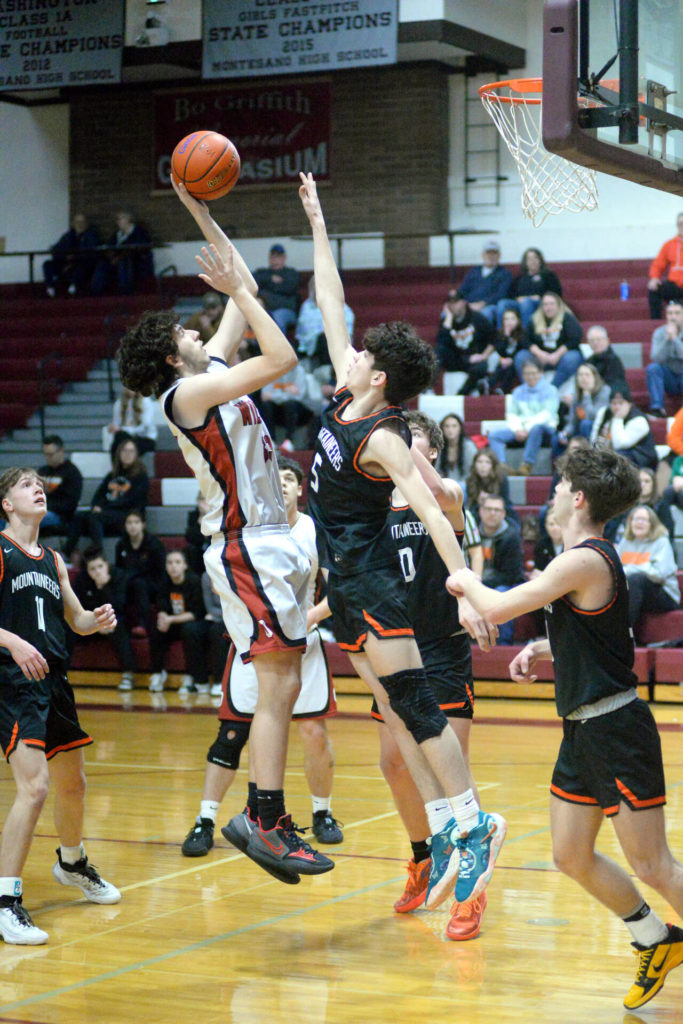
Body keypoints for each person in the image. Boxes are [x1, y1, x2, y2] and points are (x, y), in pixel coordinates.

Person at [299, 170, 506, 912]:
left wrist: (469, 585)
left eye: (359, 353)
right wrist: (320, 225)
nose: (346, 352)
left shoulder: (386, 439)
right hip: (349, 587)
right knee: (395, 722)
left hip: (380, 585)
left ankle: (473, 827)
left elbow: (434, 506)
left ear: (378, 374)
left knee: (414, 708)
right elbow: (330, 300)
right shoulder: (343, 400)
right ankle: (445, 837)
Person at [117, 177, 333, 881]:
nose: (194, 327)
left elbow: (242, 286)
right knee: (276, 683)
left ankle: (265, 815)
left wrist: (196, 208)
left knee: (279, 682)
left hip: (265, 543)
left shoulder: (201, 369)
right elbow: (280, 358)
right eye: (184, 330)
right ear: (169, 355)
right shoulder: (186, 394)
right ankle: (262, 817)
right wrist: (239, 295)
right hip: (248, 545)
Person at [447, 446, 683, 1012]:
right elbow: (603, 644)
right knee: (570, 855)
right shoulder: (579, 563)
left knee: (652, 864)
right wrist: (541, 648)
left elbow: (497, 606)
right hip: (581, 730)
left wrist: (459, 577)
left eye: (559, 485)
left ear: (577, 497)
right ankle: (655, 939)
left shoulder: (585, 559)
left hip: (617, 730)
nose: (552, 491)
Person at [181, 455, 343, 857]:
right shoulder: (248, 527)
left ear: (300, 488)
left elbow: (340, 589)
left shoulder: (314, 530)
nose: (283, 484)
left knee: (313, 732)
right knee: (231, 736)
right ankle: (205, 818)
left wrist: (309, 617)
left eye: (290, 478)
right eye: (277, 478)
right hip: (253, 643)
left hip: (301, 644)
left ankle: (322, 813)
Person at [0, 468, 120, 945]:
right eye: (26, 484)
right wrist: (12, 643)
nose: (38, 488)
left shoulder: (53, 560)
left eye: (40, 484)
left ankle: (72, 864)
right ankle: (6, 902)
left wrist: (98, 619)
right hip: (14, 681)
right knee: (35, 788)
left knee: (74, 783)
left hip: (54, 679)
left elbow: (78, 620)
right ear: (6, 503)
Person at [381, 411, 488, 939]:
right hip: (397, 650)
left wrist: (408, 446)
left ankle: (473, 889)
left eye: (412, 446)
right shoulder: (380, 506)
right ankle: (426, 857)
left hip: (443, 650)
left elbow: (441, 490)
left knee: (454, 771)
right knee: (395, 765)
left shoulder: (448, 497)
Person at [64, 438, 150, 562]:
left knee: (95, 517)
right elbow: (98, 496)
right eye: (124, 451)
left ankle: (98, 554)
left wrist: (103, 508)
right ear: (119, 454)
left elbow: (131, 501)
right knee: (79, 517)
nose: (127, 454)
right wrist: (97, 506)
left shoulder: (140, 477)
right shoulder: (112, 475)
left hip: (127, 518)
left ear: (136, 454)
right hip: (107, 516)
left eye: (131, 451)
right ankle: (66, 553)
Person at [71, 546, 138, 693]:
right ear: (87, 571)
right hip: (90, 621)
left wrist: (104, 587)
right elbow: (78, 607)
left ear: (107, 565)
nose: (97, 572)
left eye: (100, 567)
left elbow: (119, 605)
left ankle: (128, 674)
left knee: (118, 625)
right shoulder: (82, 580)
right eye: (92, 569)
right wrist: (94, 625)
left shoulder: (118, 576)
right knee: (67, 628)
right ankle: (60, 673)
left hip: (113, 619)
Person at [147, 549, 207, 694]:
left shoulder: (193, 581)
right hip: (172, 622)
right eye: (170, 563)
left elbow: (196, 613)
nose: (173, 566)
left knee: (189, 630)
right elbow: (161, 605)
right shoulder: (164, 581)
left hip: (193, 622)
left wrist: (170, 619)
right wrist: (162, 618)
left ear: (185, 565)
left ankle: (191, 677)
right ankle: (157, 673)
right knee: (156, 629)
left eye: (177, 562)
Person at [617, 506, 680, 640]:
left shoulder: (661, 542)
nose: (639, 522)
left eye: (644, 520)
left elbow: (659, 574)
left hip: (664, 595)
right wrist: (641, 567)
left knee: (636, 579)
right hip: (636, 593)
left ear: (652, 524)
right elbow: (616, 571)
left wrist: (631, 568)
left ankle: (625, 636)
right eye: (636, 519)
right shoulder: (625, 542)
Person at [487, 359, 560, 475]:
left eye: (534, 373)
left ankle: (526, 464)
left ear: (541, 373)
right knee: (494, 435)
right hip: (520, 428)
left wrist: (526, 429)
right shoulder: (518, 391)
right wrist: (518, 429)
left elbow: (547, 415)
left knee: (537, 428)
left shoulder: (551, 390)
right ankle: (501, 465)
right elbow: (512, 414)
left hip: (544, 429)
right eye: (527, 374)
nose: (530, 377)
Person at [478, 493, 525, 644]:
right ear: (481, 511)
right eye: (489, 509)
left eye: (497, 510)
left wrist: (481, 584)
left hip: (504, 585)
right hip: (476, 581)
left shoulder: (511, 537)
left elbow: (511, 575)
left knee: (500, 595)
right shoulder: (471, 534)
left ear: (504, 514)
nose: (492, 513)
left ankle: (502, 646)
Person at [114, 508, 167, 640]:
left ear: (143, 524)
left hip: (152, 585)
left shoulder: (154, 544)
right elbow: (119, 569)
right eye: (129, 522)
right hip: (129, 583)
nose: (132, 526)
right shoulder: (121, 545)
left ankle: (142, 624)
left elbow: (160, 572)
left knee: (139, 584)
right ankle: (117, 623)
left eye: (136, 522)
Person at [435, 289, 498, 395]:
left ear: (464, 302)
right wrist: (449, 318)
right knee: (437, 352)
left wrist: (484, 355)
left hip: (474, 359)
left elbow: (496, 337)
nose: (452, 305)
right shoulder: (446, 321)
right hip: (457, 359)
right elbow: (441, 344)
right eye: (449, 302)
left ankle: (461, 394)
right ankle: (428, 388)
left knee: (481, 367)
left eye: (455, 302)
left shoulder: (476, 318)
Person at [515, 292, 583, 388]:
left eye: (552, 304)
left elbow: (574, 339)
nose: (548, 307)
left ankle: (553, 388)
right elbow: (525, 339)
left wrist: (556, 355)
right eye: (545, 304)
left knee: (573, 357)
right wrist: (540, 354)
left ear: (558, 305)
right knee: (521, 356)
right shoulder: (535, 319)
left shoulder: (567, 318)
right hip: (540, 359)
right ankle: (532, 387)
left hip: (560, 359)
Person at [592, 383, 658, 471]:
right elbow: (595, 436)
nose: (617, 407)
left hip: (639, 459)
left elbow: (620, 444)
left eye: (621, 403)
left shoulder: (639, 420)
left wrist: (618, 419)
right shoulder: (605, 413)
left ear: (629, 404)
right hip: (613, 452)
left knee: (616, 457)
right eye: (613, 403)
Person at [295, 275, 354, 373]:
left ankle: (330, 371)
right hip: (311, 344)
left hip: (335, 343)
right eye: (315, 286)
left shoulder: (340, 306)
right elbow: (302, 329)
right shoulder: (306, 306)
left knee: (327, 337)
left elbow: (347, 329)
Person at [497, 246, 563, 328]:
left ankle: (526, 335)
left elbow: (556, 293)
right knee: (502, 303)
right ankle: (501, 334)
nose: (532, 261)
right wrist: (517, 299)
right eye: (529, 259)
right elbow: (510, 294)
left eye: (535, 258)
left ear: (540, 260)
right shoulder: (520, 278)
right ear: (525, 262)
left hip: (540, 303)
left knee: (526, 302)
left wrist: (541, 297)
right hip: (520, 303)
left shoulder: (548, 275)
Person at [92, 210, 154, 295]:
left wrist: (118, 258)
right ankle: (96, 292)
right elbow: (110, 246)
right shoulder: (118, 234)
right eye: (117, 219)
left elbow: (139, 250)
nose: (117, 222)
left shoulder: (139, 232)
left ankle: (125, 292)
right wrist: (111, 256)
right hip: (117, 262)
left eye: (119, 219)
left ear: (127, 219)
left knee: (124, 262)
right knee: (102, 263)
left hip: (135, 263)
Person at [43, 213, 100, 298]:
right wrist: (65, 257)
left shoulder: (91, 235)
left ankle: (74, 287)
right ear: (73, 223)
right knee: (47, 264)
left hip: (82, 263)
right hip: (65, 262)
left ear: (86, 224)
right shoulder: (68, 235)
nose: (80, 224)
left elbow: (89, 252)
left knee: (81, 265)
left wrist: (74, 258)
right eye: (77, 222)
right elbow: (56, 249)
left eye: (82, 222)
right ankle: (50, 288)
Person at [259, 362, 316, 448]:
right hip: (279, 408)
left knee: (290, 404)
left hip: (298, 409)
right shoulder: (271, 372)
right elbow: (264, 396)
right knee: (266, 405)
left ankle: (289, 441)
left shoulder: (299, 370)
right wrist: (287, 391)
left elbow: (299, 396)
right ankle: (271, 440)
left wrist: (274, 395)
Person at [36, 435, 83, 538]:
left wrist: (45, 506)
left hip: (60, 515)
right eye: (45, 454)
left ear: (61, 451)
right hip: (40, 510)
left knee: (27, 519)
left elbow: (70, 503)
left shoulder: (72, 473)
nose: (48, 458)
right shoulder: (42, 471)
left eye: (51, 454)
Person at [557, 362, 610, 449]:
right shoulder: (577, 395)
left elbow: (592, 417)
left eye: (587, 375)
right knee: (557, 438)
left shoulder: (604, 391)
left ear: (595, 377)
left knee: (585, 424)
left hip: (599, 431)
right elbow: (572, 422)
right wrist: (565, 432)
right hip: (580, 430)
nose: (583, 378)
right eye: (580, 375)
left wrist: (586, 395)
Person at [458, 239, 512, 324]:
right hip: (469, 305)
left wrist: (483, 303)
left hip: (490, 306)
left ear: (499, 256)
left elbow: (502, 294)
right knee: (448, 313)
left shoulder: (504, 273)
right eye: (488, 253)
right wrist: (466, 304)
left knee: (486, 313)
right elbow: (462, 290)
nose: (491, 256)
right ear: (483, 255)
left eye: (494, 253)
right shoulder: (473, 271)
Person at [645, 299, 683, 417]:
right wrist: (667, 339)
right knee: (653, 368)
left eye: (677, 313)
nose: (673, 317)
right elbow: (655, 358)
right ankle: (658, 408)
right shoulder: (659, 333)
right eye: (670, 313)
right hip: (669, 377)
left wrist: (675, 339)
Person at [253, 243, 300, 336]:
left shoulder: (291, 273)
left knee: (277, 318)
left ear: (284, 258)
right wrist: (271, 279)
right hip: (265, 309)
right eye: (273, 257)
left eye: (278, 256)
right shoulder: (262, 272)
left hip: (285, 310)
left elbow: (289, 288)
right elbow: (253, 282)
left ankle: (280, 350)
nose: (275, 260)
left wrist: (267, 285)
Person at [464, 446, 517, 525]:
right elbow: (470, 507)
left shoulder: (501, 479)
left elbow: (505, 503)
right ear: (474, 464)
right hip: (478, 514)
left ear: (493, 465)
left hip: (500, 512)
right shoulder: (470, 481)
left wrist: (490, 500)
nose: (483, 466)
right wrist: (480, 502)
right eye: (480, 462)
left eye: (487, 462)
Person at [647, 212, 683, 319]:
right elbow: (658, 264)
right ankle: (655, 322)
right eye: (680, 224)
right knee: (654, 289)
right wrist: (654, 278)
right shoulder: (669, 244)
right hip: (675, 285)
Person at [103, 386, 158, 456]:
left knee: (123, 443)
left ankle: (121, 465)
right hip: (126, 438)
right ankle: (117, 466)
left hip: (145, 438)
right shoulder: (119, 403)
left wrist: (124, 429)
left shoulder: (146, 402)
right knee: (118, 440)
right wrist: (112, 428)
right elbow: (116, 425)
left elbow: (144, 428)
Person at [435, 413, 478, 487]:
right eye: (447, 426)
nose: (450, 430)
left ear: (460, 428)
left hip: (466, 485)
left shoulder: (469, 446)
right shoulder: (439, 447)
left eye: (454, 426)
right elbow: (436, 470)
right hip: (444, 485)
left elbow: (472, 472)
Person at [490, 307, 525, 393]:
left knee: (511, 368)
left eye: (512, 319)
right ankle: (488, 384)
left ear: (518, 320)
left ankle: (502, 389)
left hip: (516, 362)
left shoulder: (523, 333)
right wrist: (506, 336)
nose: (509, 322)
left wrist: (512, 359)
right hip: (503, 360)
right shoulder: (499, 334)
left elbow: (522, 350)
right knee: (500, 367)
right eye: (506, 319)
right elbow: (499, 351)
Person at [584, 324, 627, 390]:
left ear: (607, 341)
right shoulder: (588, 361)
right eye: (592, 340)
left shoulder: (613, 361)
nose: (595, 343)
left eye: (598, 339)